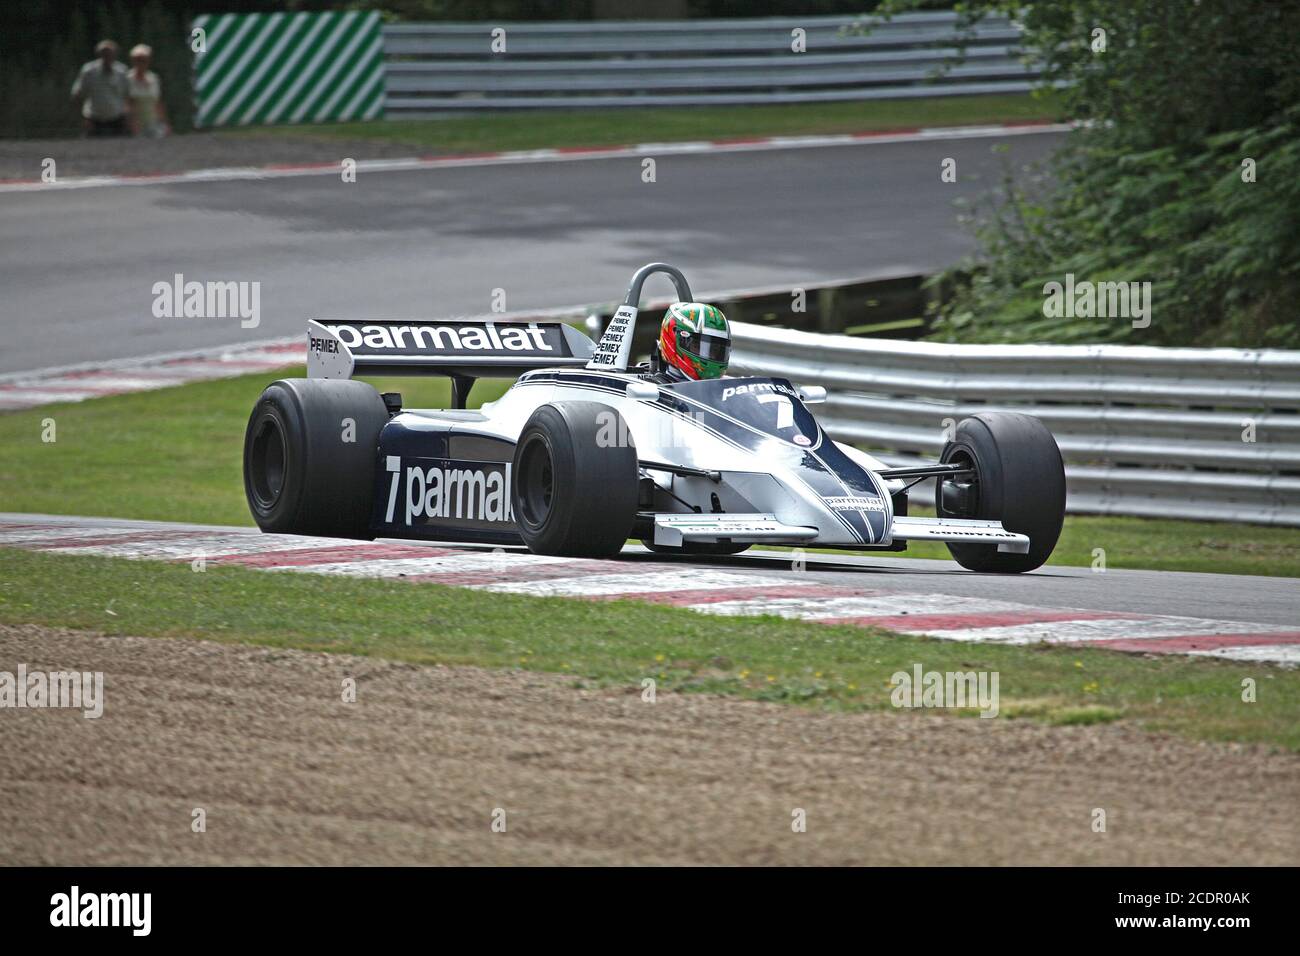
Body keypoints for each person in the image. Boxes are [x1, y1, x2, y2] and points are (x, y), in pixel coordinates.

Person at [653, 301, 732, 381]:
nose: (711, 356)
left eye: (714, 350)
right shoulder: (653, 389)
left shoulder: (726, 386)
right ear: (675, 337)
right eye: (697, 346)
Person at [71, 40, 130, 136]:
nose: (107, 56)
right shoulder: (89, 71)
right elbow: (77, 94)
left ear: (115, 54)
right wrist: (82, 117)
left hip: (117, 119)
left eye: (110, 53)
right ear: (99, 54)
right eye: (104, 53)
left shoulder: (122, 71)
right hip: (94, 119)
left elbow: (127, 95)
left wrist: (128, 118)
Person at [125, 44, 168, 137]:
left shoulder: (153, 78)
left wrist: (164, 123)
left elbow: (158, 102)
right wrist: (132, 123)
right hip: (136, 125)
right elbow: (127, 103)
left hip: (153, 123)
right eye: (138, 60)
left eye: (144, 60)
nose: (141, 63)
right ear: (133, 61)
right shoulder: (127, 79)